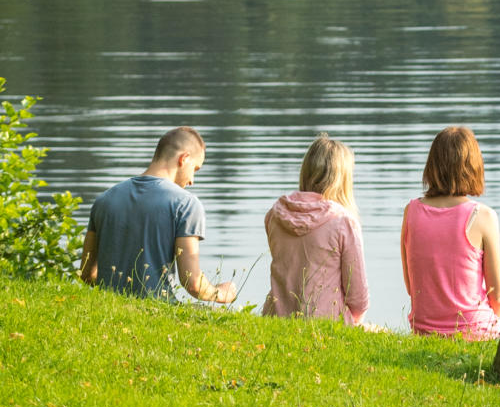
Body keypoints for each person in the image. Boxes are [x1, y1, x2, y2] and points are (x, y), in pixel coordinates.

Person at [79, 124, 236, 304]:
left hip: (108, 309)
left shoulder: (104, 200)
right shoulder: (186, 204)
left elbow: (87, 273)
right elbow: (193, 284)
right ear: (184, 158)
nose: (192, 181)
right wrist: (222, 293)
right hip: (159, 311)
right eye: (195, 169)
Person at [402, 125, 500, 339]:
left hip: (424, 331)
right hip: (475, 330)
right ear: (473, 167)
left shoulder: (411, 211)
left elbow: (411, 285)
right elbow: (498, 297)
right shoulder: (483, 216)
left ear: (432, 166)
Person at [262, 133, 369, 325]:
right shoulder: (343, 222)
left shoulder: (274, 216)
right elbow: (358, 299)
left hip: (275, 321)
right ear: (342, 180)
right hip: (326, 325)